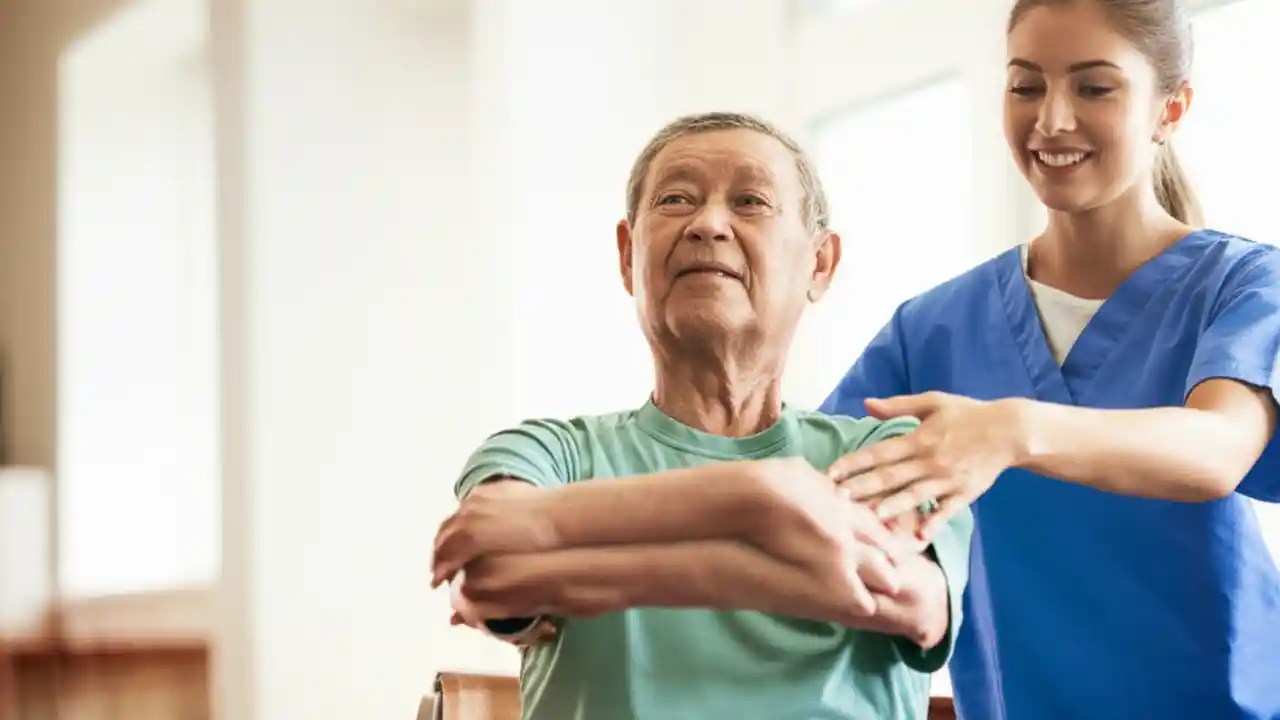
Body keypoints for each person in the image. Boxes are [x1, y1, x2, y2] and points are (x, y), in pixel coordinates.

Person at [430, 112, 974, 720]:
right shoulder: (549, 451)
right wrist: (761, 500)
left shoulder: (887, 450)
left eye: (750, 201)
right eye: (675, 199)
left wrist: (562, 536)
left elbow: (906, 597)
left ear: (819, 264)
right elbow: (493, 572)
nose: (708, 224)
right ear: (627, 252)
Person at [821, 1, 1280, 718]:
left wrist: (1011, 431)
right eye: (1026, 86)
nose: (1052, 120)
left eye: (1094, 88)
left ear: (1171, 108)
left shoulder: (1242, 286)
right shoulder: (932, 330)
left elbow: (1217, 448)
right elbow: (815, 494)